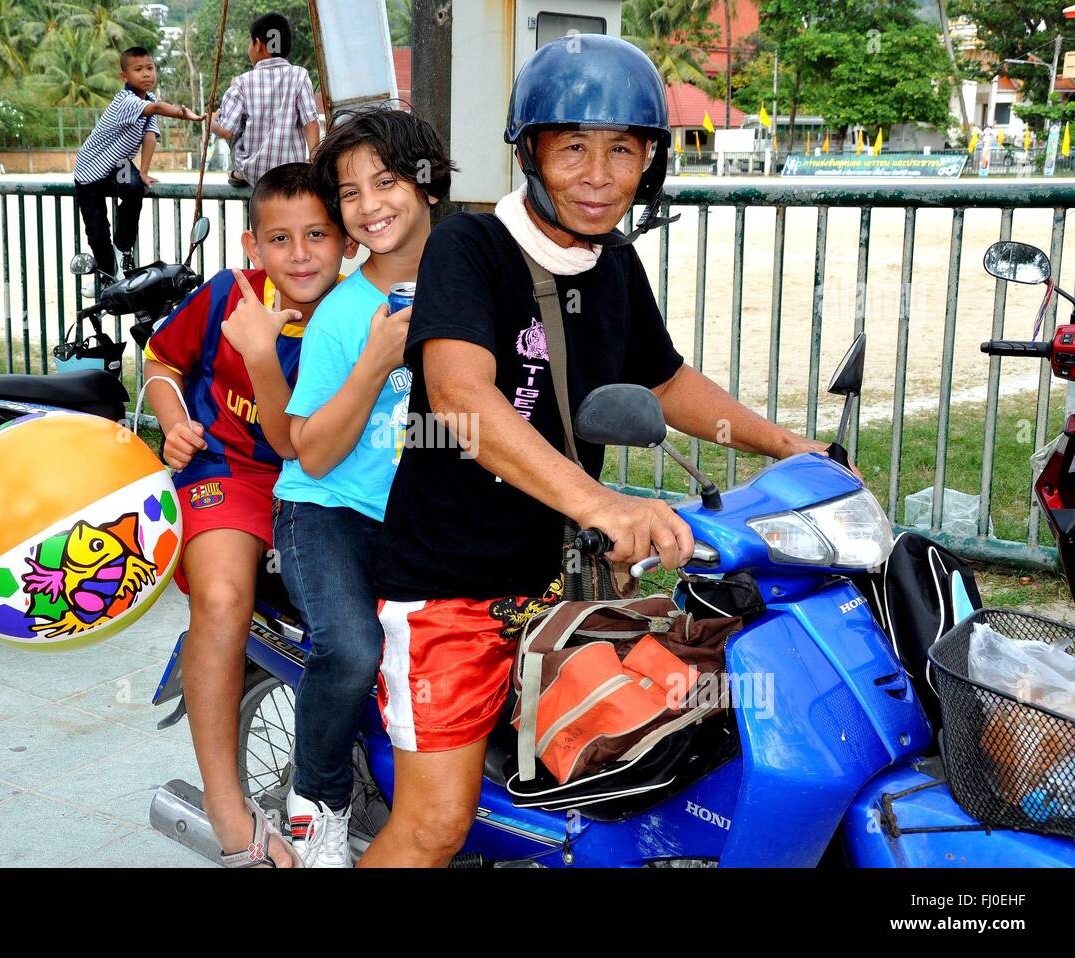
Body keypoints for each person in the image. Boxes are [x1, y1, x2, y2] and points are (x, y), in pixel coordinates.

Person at [361, 35, 848, 868]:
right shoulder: (469, 249)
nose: (598, 175)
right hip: (449, 591)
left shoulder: (614, 262)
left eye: (622, 149)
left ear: (650, 160)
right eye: (573, 148)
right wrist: (603, 502)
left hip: (559, 586)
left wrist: (785, 443)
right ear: (531, 154)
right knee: (431, 827)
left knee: (645, 761)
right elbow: (461, 400)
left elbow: (662, 381)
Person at [142, 162, 356, 868]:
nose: (300, 254)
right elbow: (160, 361)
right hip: (228, 471)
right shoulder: (224, 300)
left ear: (348, 241)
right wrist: (173, 420)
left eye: (317, 235)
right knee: (225, 598)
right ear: (251, 247)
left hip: (324, 480)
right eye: (281, 238)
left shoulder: (359, 315)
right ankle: (224, 803)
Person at [270, 106, 454, 867]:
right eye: (350, 193)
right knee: (351, 650)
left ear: (428, 183)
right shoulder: (344, 314)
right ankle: (316, 807)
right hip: (328, 511)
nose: (371, 204)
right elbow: (310, 452)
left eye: (388, 181)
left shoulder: (470, 277)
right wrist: (377, 359)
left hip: (423, 516)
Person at [74, 46, 204, 291]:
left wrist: (143, 172)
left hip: (119, 164)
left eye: (150, 68)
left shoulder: (149, 99)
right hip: (91, 169)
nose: (146, 74)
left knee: (135, 189)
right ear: (125, 76)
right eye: (138, 69)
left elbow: (150, 136)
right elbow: (155, 110)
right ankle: (105, 277)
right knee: (97, 230)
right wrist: (183, 114)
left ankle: (122, 250)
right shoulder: (126, 101)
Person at [210, 13, 320, 188]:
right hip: (289, 172)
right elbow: (311, 123)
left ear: (259, 44)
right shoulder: (300, 75)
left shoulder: (242, 82)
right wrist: (314, 164)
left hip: (254, 173)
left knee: (232, 120)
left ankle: (239, 173)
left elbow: (226, 132)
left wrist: (211, 122)